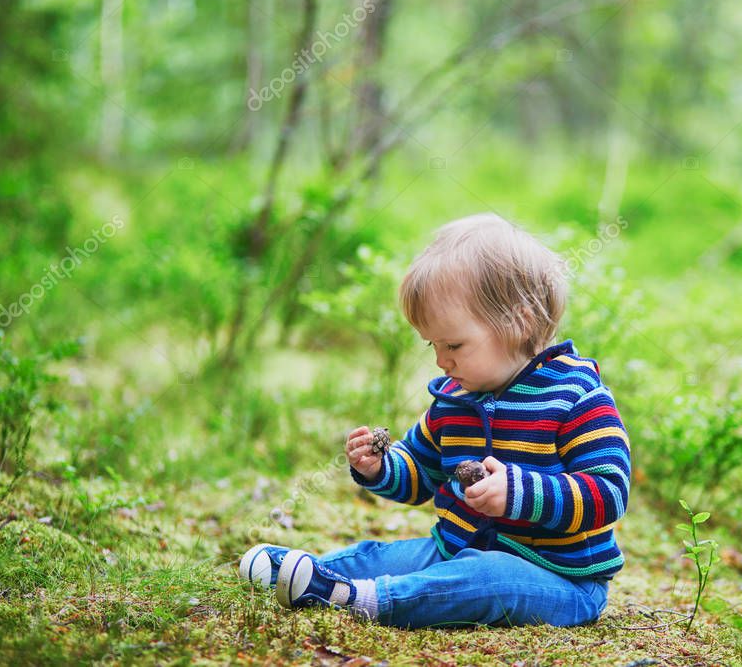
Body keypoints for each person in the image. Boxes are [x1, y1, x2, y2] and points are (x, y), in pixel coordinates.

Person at [238, 213, 631, 628]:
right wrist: (380, 467)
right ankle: (312, 575)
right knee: (389, 556)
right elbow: (419, 473)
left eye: (454, 344)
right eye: (433, 345)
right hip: (453, 548)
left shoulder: (575, 396)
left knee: (487, 577)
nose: (441, 361)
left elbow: (608, 492)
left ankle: (364, 600)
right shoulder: (453, 401)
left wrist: (518, 493)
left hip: (559, 581)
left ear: (520, 321)